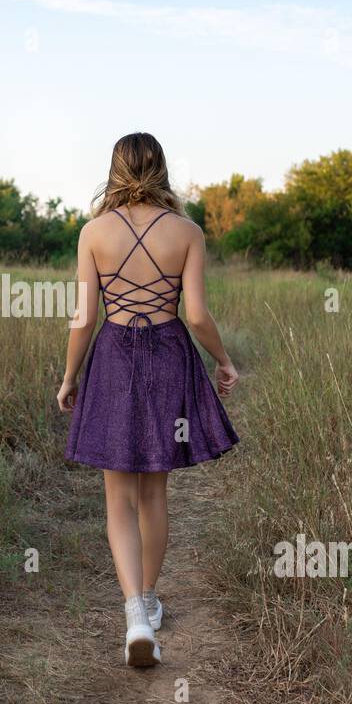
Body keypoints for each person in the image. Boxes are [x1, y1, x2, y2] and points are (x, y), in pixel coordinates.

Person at [57, 133, 239, 667]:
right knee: (154, 493)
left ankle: (136, 613)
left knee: (118, 498)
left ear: (114, 169)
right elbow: (198, 315)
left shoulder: (94, 232)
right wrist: (224, 361)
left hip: (113, 355)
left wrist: (70, 376)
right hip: (167, 353)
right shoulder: (187, 232)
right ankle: (151, 601)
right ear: (161, 168)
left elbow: (84, 318)